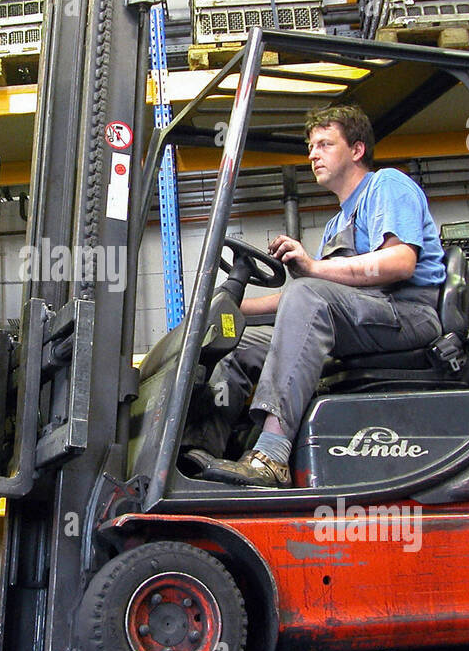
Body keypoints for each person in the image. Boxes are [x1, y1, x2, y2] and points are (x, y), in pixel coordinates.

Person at [186, 103, 446, 488]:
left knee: (308, 293)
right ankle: (202, 460)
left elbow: (399, 263)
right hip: (360, 317)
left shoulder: (387, 185)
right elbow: (303, 304)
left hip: (406, 312)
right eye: (311, 146)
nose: (312, 154)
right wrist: (234, 308)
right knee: (237, 347)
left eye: (325, 144)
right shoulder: (336, 223)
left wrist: (313, 268)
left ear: (356, 150)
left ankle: (272, 457)